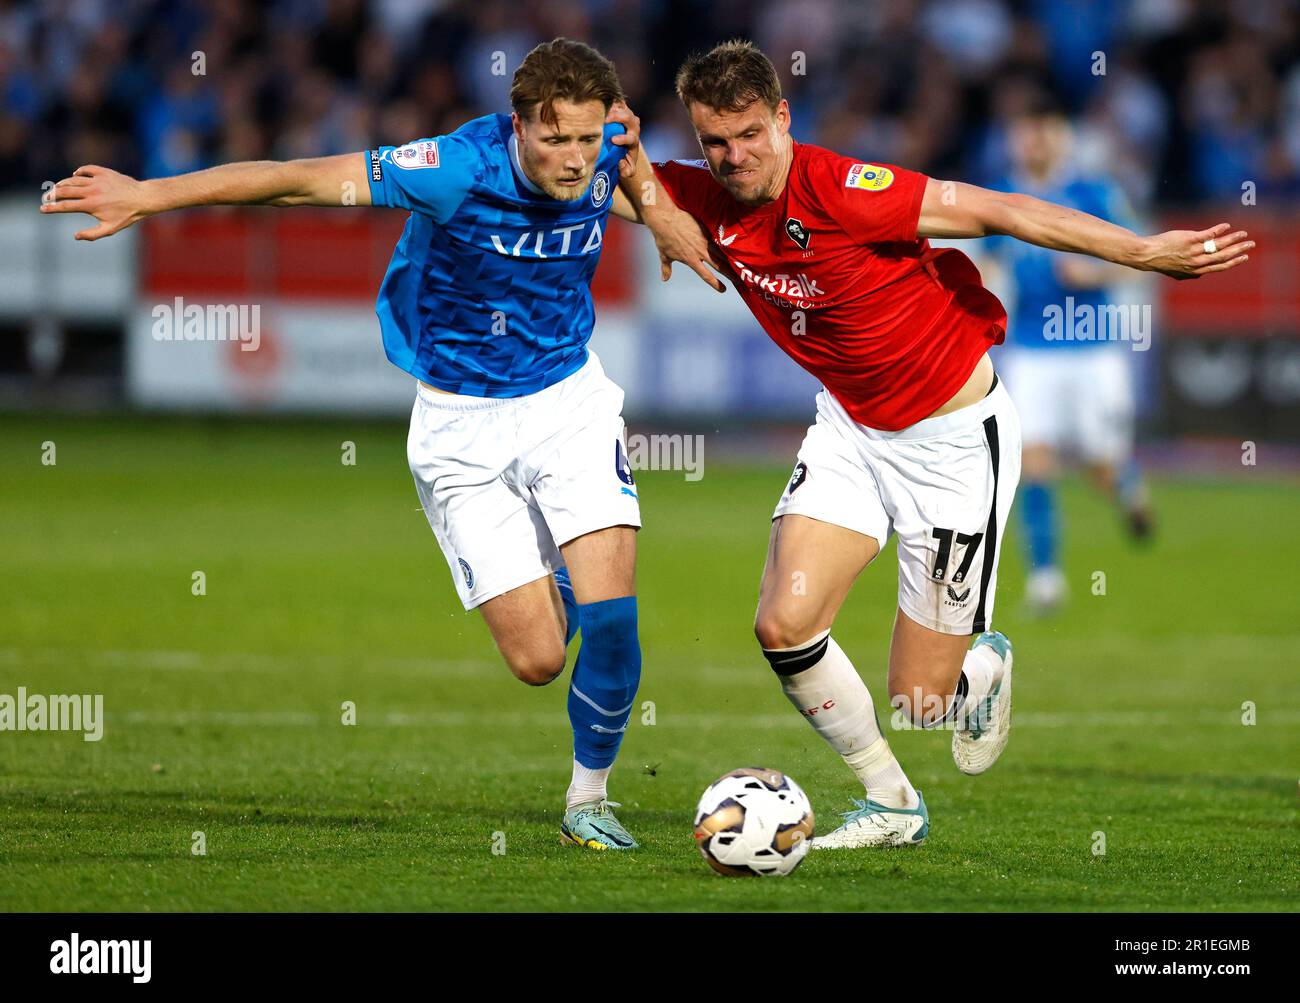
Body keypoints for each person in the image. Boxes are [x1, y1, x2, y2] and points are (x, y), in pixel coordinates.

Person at [40, 38, 718, 853]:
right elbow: (294, 180)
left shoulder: (609, 140)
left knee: (615, 621)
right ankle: (558, 586)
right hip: (460, 424)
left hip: (569, 403)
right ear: (517, 126)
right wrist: (151, 194)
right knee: (539, 658)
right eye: (555, 140)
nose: (575, 161)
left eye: (586, 139)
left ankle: (589, 800)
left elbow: (632, 155)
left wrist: (663, 210)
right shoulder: (449, 167)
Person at [621, 39, 1251, 849]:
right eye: (714, 141)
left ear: (783, 117)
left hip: (954, 442)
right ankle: (892, 802)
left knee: (919, 699)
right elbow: (577, 167)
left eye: (749, 133)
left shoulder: (845, 189)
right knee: (782, 622)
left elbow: (1002, 210)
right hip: (851, 427)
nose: (734, 156)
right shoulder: (696, 198)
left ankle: (981, 670)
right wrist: (624, 150)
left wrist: (1141, 251)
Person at [987, 92, 1155, 614]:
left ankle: (1126, 489)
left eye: (1046, 128)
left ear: (1063, 136)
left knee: (1097, 461)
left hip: (1092, 349)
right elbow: (991, 263)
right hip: (1031, 353)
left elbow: (1143, 258)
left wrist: (1095, 271)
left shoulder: (1094, 193)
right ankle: (1046, 579)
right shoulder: (999, 197)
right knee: (1033, 458)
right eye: (1026, 129)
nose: (1035, 139)